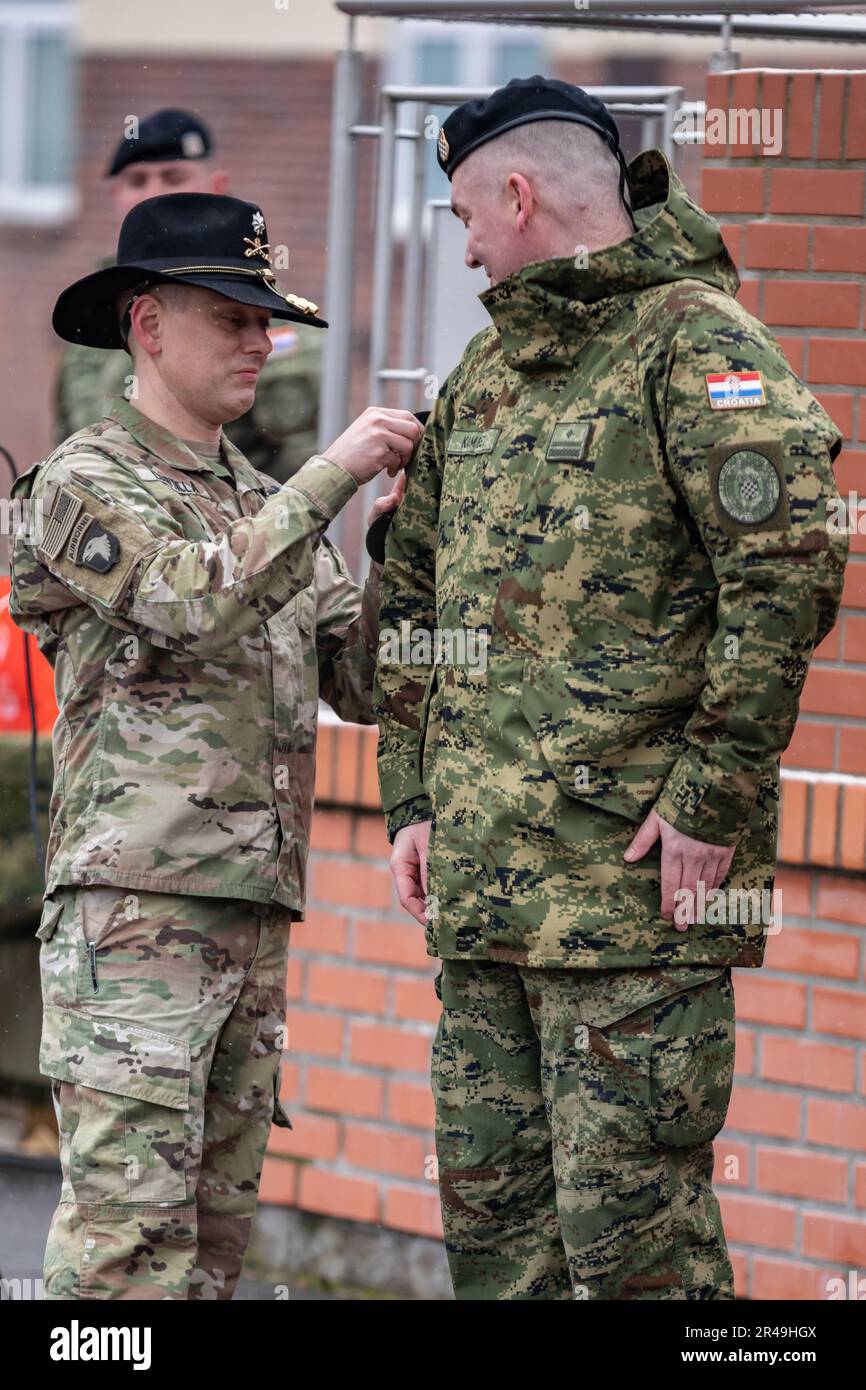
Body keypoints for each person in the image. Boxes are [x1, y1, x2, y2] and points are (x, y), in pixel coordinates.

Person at [373, 76, 848, 1301]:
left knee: (642, 1263)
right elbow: (413, 593)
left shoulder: (697, 345)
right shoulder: (483, 373)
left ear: (518, 196)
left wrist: (711, 799)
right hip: (485, 913)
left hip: (636, 911)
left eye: (466, 213)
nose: (463, 240)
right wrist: (408, 798)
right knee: (498, 1251)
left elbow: (784, 571)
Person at [9, 190, 422, 1300]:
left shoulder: (253, 498)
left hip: (247, 916)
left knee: (208, 1259)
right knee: (121, 1259)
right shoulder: (82, 481)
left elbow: (364, 679)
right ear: (148, 326)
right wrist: (330, 474)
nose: (260, 342)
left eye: (264, 320)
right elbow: (189, 601)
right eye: (230, 318)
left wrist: (397, 553)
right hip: (137, 917)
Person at [54, 107, 322, 482]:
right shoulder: (92, 320)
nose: (153, 192)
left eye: (173, 177)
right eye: (137, 181)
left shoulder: (266, 319)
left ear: (217, 186)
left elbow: (298, 468)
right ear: (116, 195)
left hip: (241, 524)